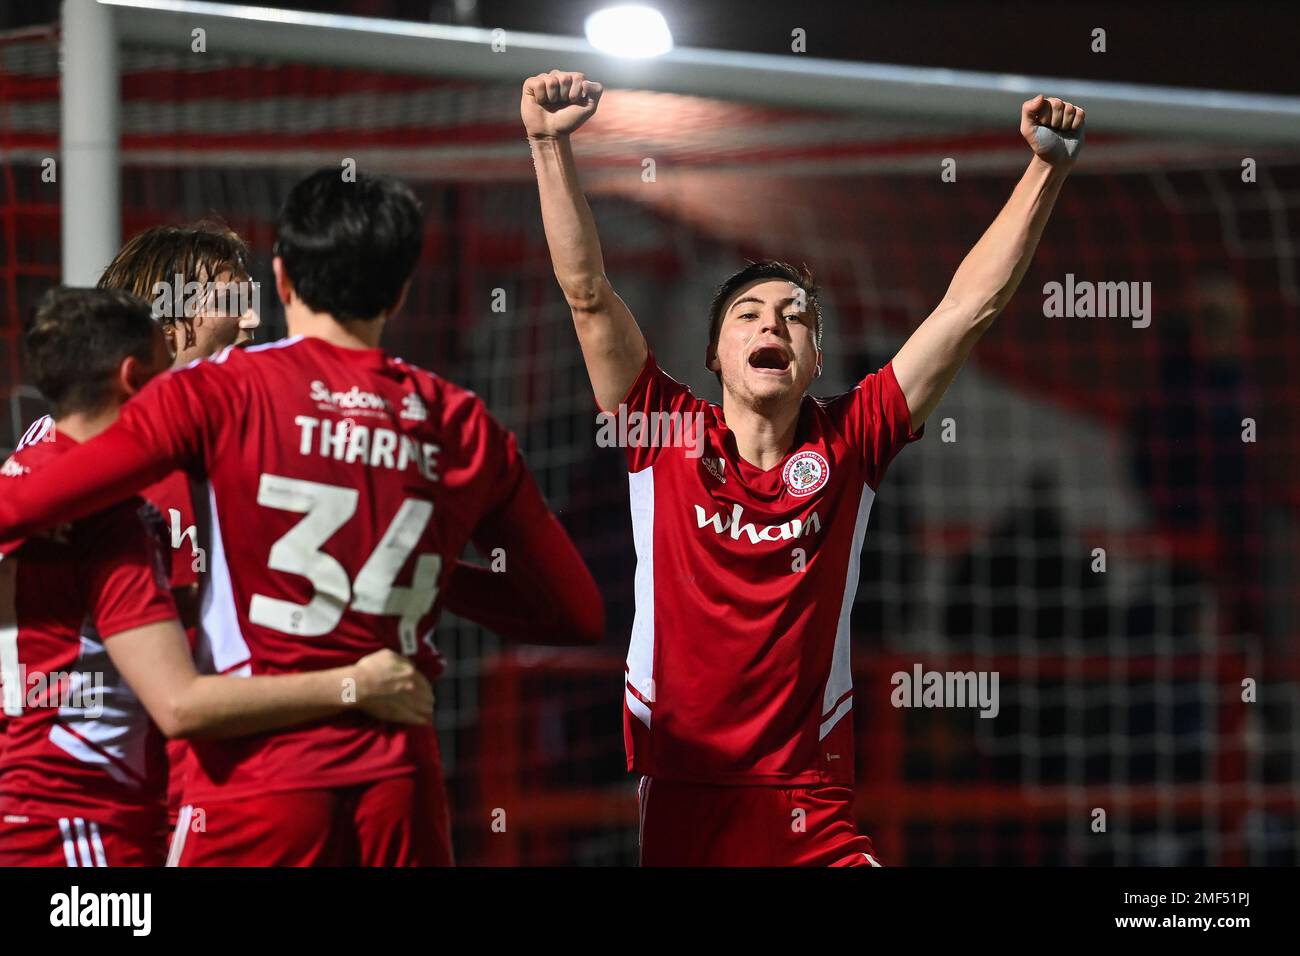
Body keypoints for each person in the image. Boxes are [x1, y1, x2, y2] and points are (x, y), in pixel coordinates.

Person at [521, 68, 1084, 865]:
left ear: (815, 358)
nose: (773, 321)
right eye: (749, 312)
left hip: (807, 804)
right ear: (715, 355)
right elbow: (585, 292)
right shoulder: (659, 430)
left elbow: (967, 309)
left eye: (795, 315)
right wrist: (549, 145)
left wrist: (1045, 169)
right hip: (685, 794)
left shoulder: (850, 441)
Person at [0, 170, 604, 865]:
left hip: (245, 781)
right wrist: (424, 578)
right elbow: (577, 614)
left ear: (285, 279)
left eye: (256, 294)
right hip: (389, 776)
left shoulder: (219, 404)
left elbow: (175, 692)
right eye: (228, 298)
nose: (251, 317)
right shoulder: (459, 420)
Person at [0, 287, 432, 867]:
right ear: (134, 376)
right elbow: (180, 704)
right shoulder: (110, 518)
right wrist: (354, 683)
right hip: (78, 830)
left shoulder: (23, 473)